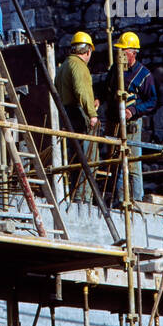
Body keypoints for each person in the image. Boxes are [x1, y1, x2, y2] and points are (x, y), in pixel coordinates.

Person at [100, 32, 157, 202]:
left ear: (133, 52)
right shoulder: (114, 70)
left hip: (131, 124)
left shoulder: (144, 75)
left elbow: (152, 100)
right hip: (113, 122)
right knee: (115, 162)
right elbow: (106, 89)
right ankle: (118, 199)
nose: (120, 54)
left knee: (132, 163)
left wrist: (133, 110)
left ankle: (136, 200)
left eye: (123, 51)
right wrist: (99, 99)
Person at [53, 31, 100, 203]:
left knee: (75, 158)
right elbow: (81, 91)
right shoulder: (79, 67)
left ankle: (75, 196)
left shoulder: (64, 66)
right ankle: (84, 199)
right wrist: (92, 114)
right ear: (87, 51)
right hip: (79, 116)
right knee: (89, 158)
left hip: (68, 115)